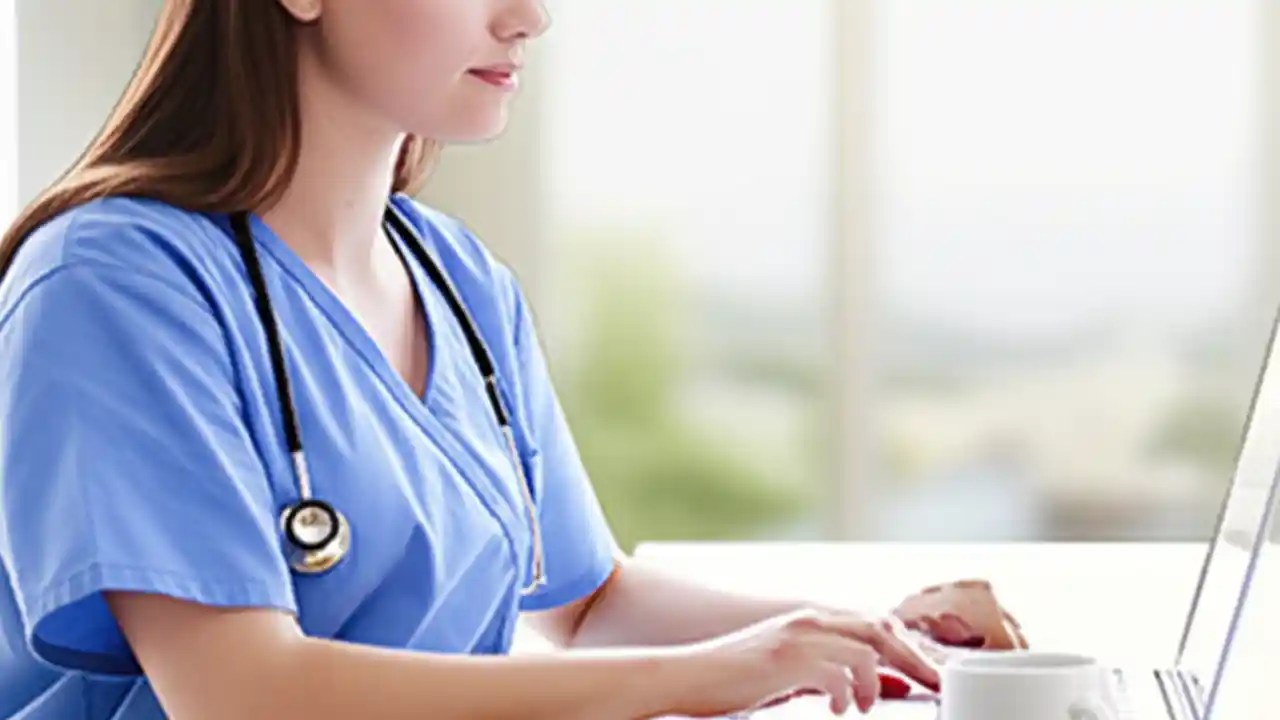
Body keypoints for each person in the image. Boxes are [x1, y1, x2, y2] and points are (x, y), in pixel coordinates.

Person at [0, 1, 953, 717]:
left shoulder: (456, 277)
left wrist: (871, 636)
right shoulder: (110, 284)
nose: (529, 17)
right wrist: (722, 673)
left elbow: (587, 602)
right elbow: (241, 692)